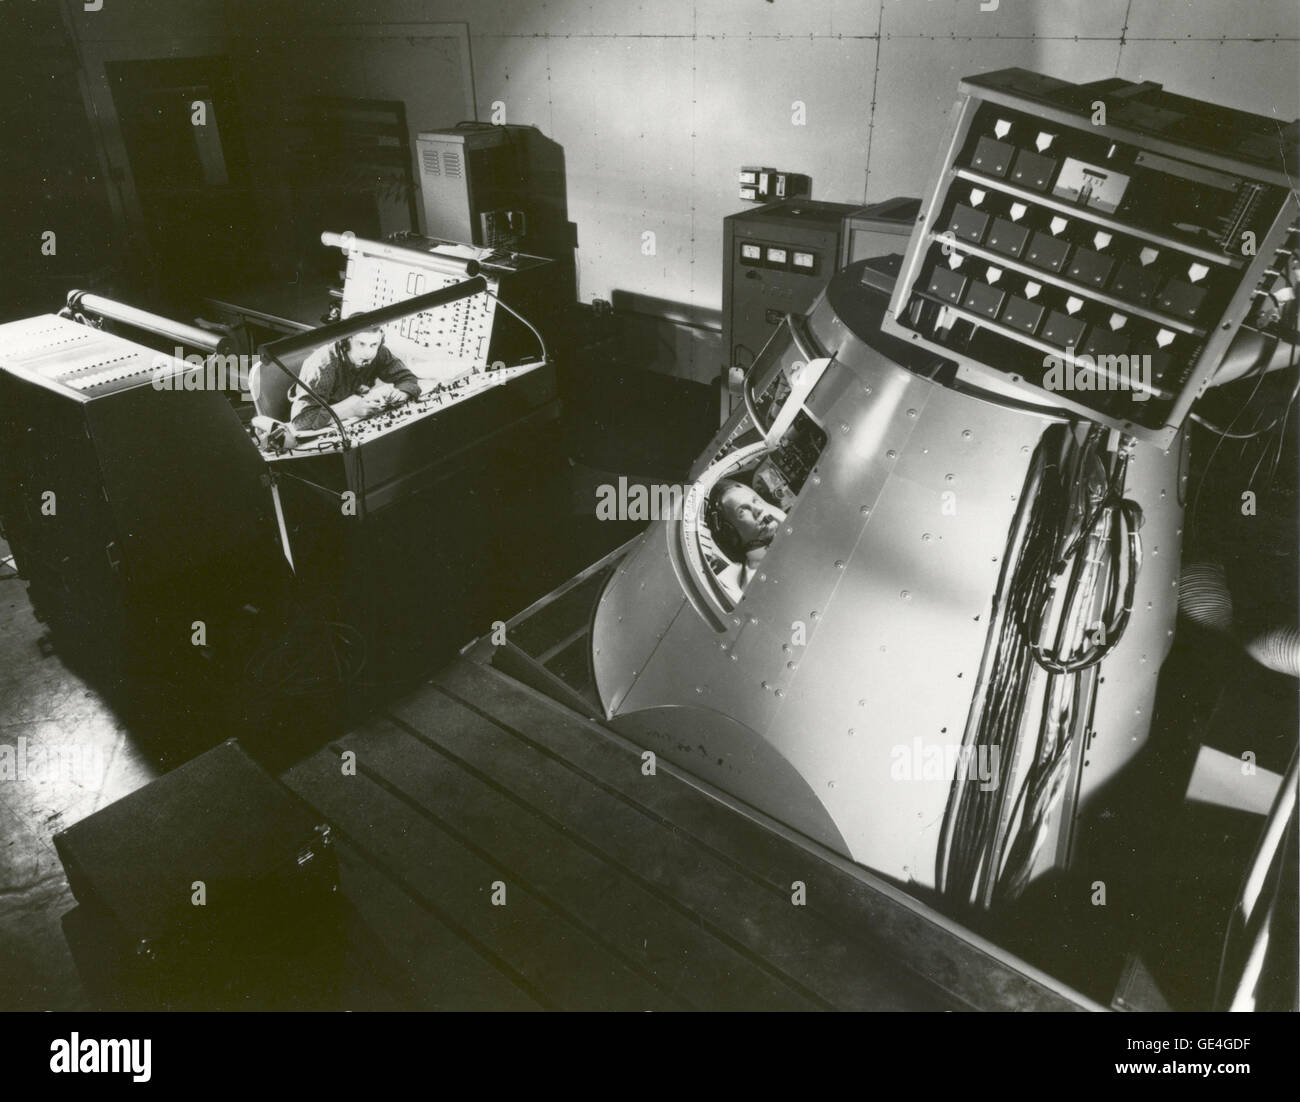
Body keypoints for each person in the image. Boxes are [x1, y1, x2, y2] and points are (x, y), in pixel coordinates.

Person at [287, 323, 421, 431]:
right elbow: (301, 421)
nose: (369, 353)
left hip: (346, 417)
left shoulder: (378, 352)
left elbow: (407, 378)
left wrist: (403, 393)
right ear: (346, 342)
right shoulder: (324, 364)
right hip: (323, 424)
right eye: (361, 344)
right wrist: (351, 410)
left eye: (374, 344)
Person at [705, 478, 787, 604]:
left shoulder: (785, 539)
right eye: (742, 511)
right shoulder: (756, 581)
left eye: (755, 501)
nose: (758, 509)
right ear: (730, 533)